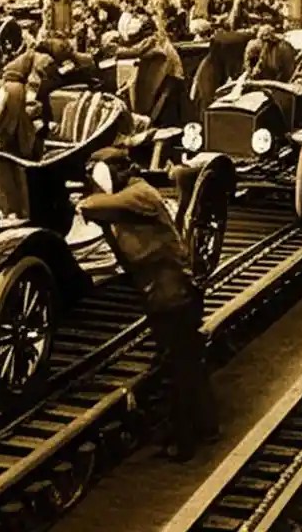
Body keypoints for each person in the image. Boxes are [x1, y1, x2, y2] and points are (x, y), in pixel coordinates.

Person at [77, 147, 218, 462]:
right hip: (164, 296)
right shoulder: (133, 198)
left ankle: (183, 443)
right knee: (188, 365)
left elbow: (100, 205)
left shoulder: (141, 195)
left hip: (174, 296)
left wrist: (82, 201)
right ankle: (206, 428)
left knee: (178, 370)